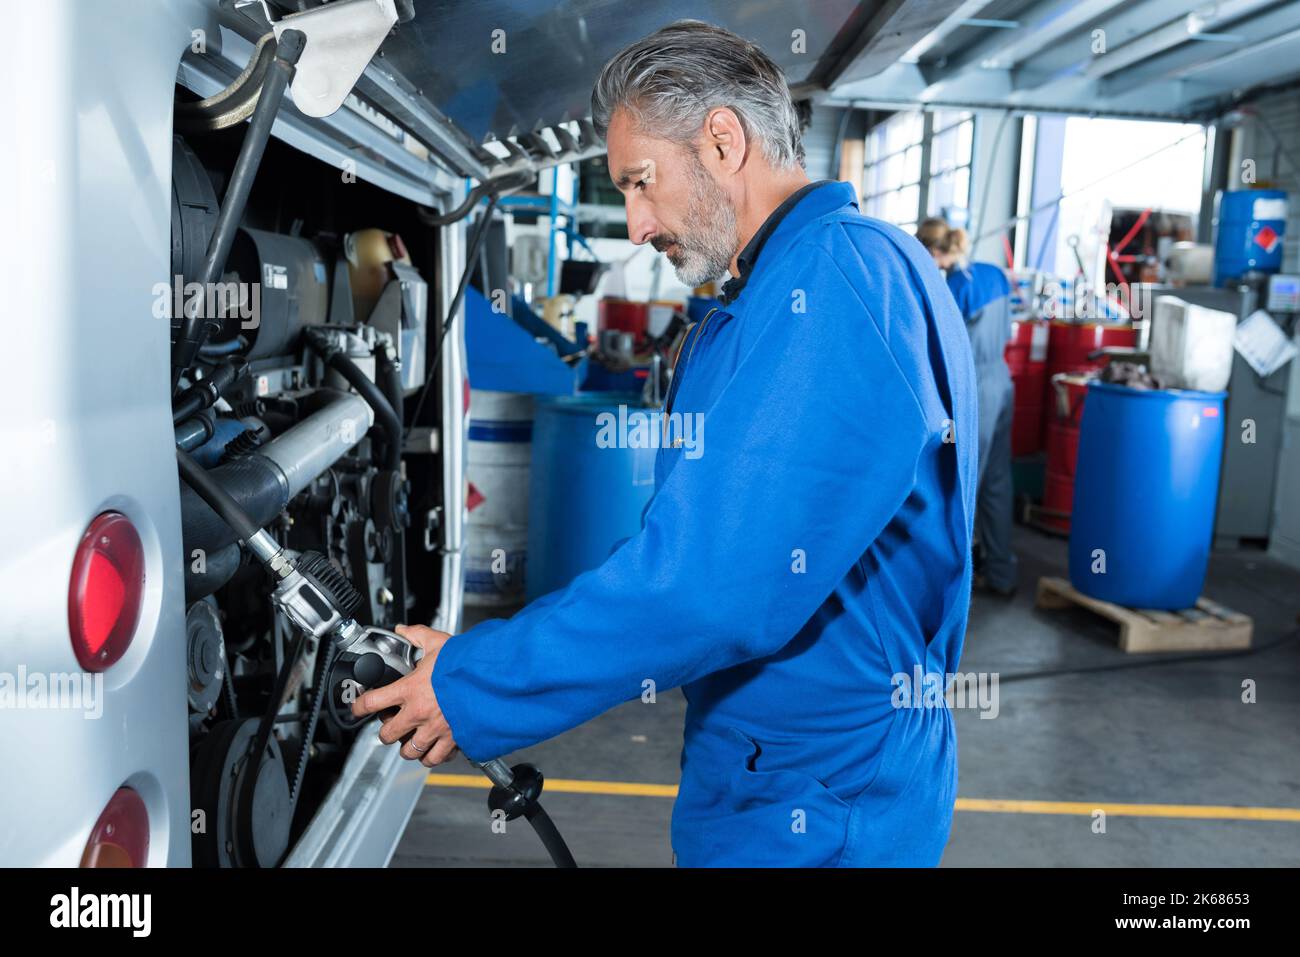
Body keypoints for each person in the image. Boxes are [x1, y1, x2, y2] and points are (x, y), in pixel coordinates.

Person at [352, 20, 977, 867]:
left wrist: (478, 686)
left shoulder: (834, 282)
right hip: (778, 766)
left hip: (822, 797)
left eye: (641, 183)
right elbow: (685, 539)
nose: (636, 223)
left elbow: (714, 585)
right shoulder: (767, 297)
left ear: (723, 140)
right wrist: (479, 654)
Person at [918, 218, 1018, 597]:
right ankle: (1003, 572)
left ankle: (952, 582)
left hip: (974, 389)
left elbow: (945, 347)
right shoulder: (994, 274)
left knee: (962, 484)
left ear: (933, 251)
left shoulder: (956, 287)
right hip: (1003, 381)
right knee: (996, 480)